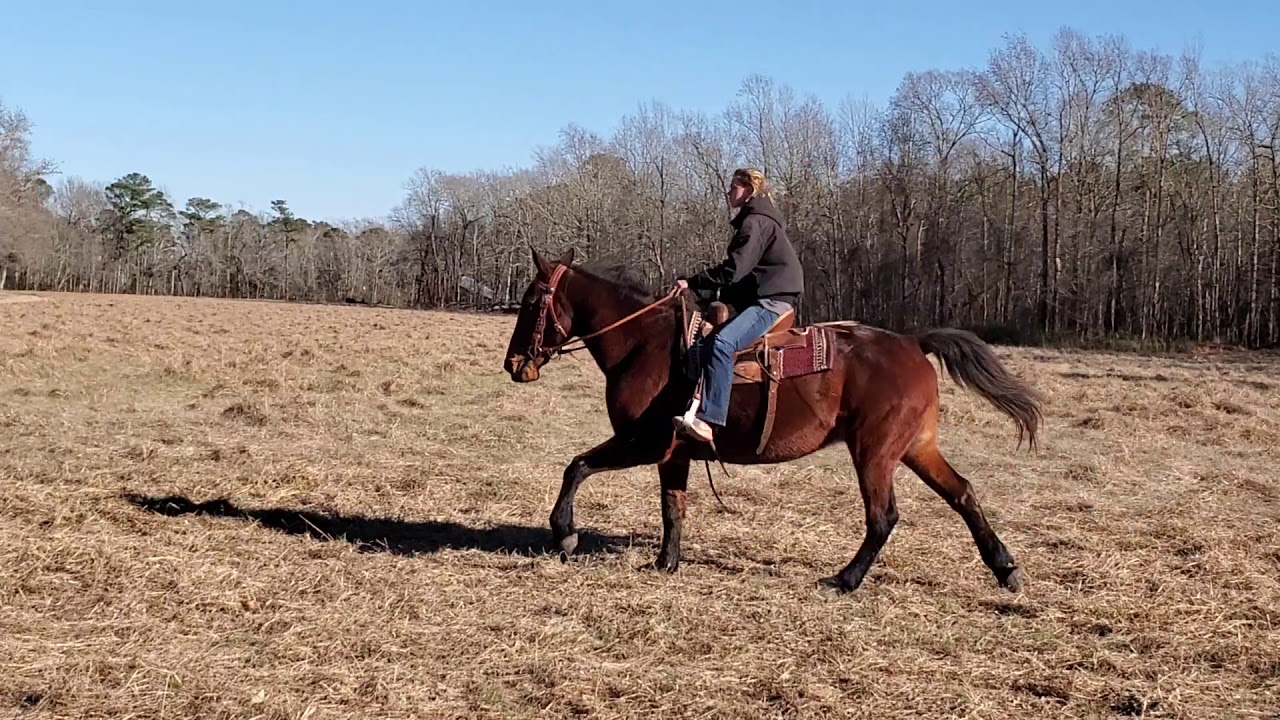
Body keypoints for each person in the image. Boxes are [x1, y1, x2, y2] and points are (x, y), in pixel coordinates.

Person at [673, 167, 804, 443]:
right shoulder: (758, 220)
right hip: (767, 295)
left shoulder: (755, 222)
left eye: (733, 187)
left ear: (749, 189)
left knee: (722, 344)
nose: (728, 192)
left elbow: (734, 270)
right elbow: (742, 280)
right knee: (702, 347)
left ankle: (710, 419)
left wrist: (694, 283)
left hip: (773, 301)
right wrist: (707, 295)